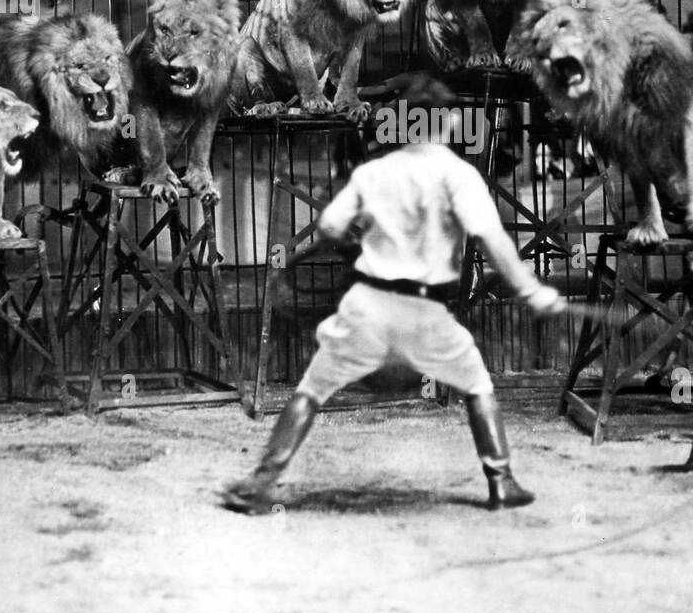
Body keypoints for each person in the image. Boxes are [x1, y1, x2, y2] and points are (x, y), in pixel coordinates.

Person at [223, 74, 566, 514]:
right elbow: (493, 242)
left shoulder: (373, 171)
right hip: (426, 312)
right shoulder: (459, 175)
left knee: (311, 390)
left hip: (366, 306)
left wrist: (361, 239)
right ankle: (501, 482)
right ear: (451, 121)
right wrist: (533, 290)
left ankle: (261, 483)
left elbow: (328, 225)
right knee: (478, 385)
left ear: (406, 122)